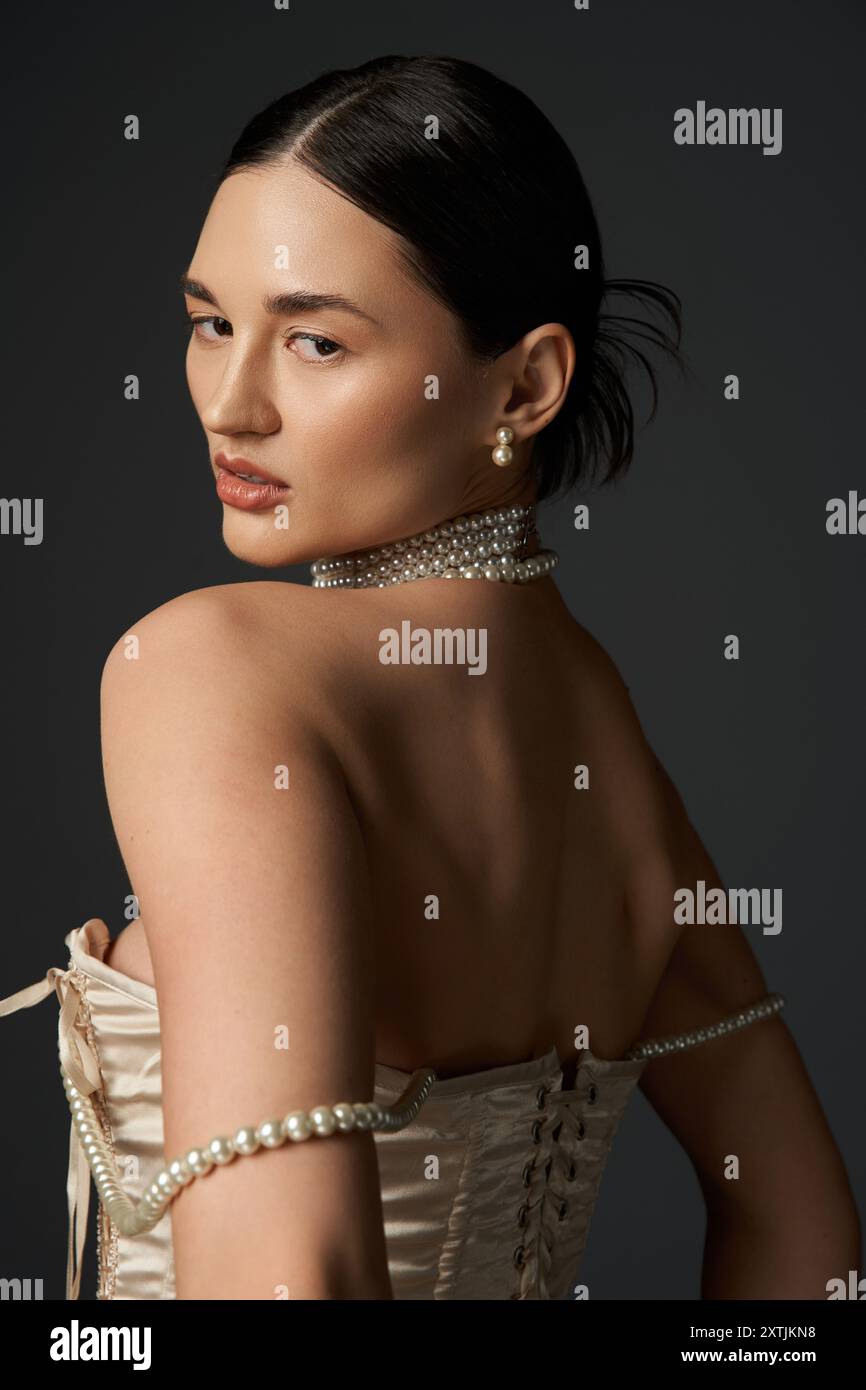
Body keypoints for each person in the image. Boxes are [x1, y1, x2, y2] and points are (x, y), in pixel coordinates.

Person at [1, 54, 858, 1300]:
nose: (229, 405)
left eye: (313, 340)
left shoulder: (210, 665)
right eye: (209, 324)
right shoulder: (600, 736)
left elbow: (290, 1275)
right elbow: (804, 1238)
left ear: (522, 385)